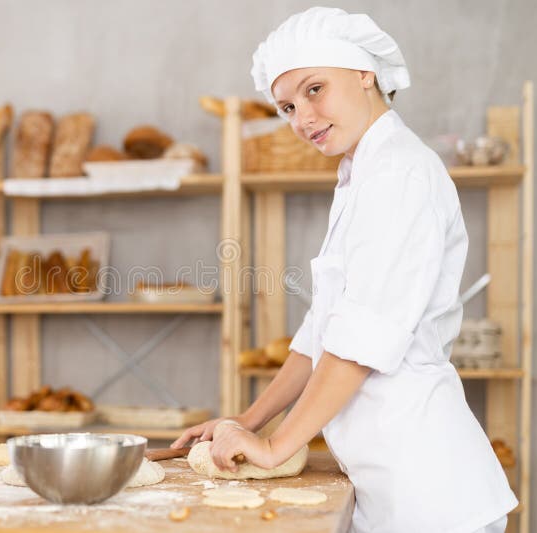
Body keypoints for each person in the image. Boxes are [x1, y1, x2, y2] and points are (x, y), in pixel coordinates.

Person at [172, 7, 518, 533]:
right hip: (384, 483)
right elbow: (323, 332)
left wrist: (275, 446)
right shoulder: (361, 173)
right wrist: (247, 420)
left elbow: (360, 340)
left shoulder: (401, 173)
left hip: (427, 491)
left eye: (315, 90)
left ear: (365, 74)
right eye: (287, 106)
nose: (302, 117)